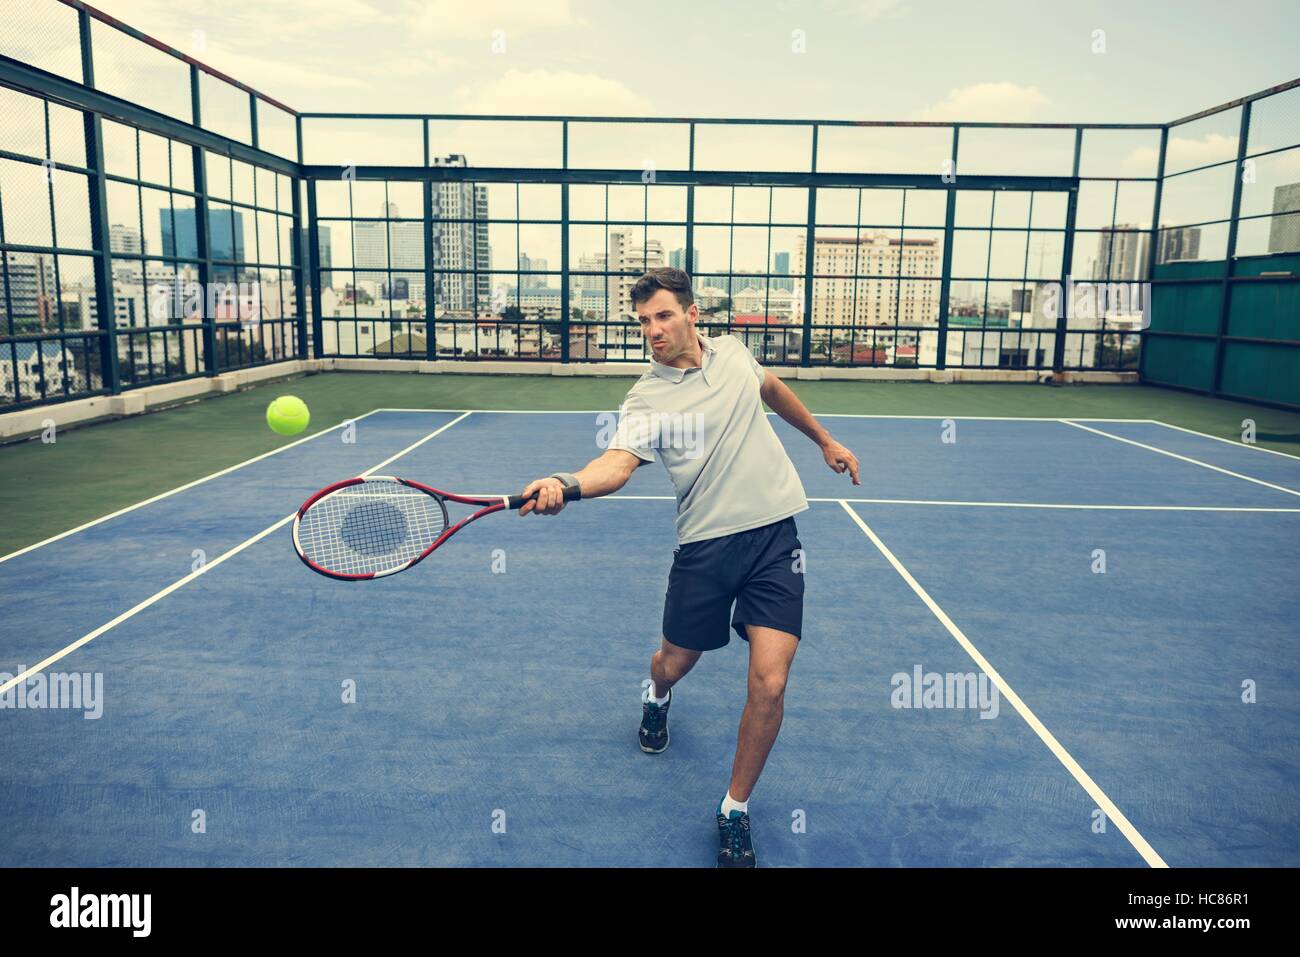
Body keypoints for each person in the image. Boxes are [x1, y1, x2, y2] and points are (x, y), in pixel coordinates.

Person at [518, 267, 859, 867]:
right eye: (643, 320)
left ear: (692, 314)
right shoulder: (647, 400)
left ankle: (734, 808)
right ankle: (657, 693)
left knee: (771, 682)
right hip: (705, 550)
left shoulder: (732, 354)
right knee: (676, 661)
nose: (653, 329)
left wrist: (823, 439)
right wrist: (564, 483)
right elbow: (616, 466)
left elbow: (772, 388)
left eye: (663, 315)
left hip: (776, 540)